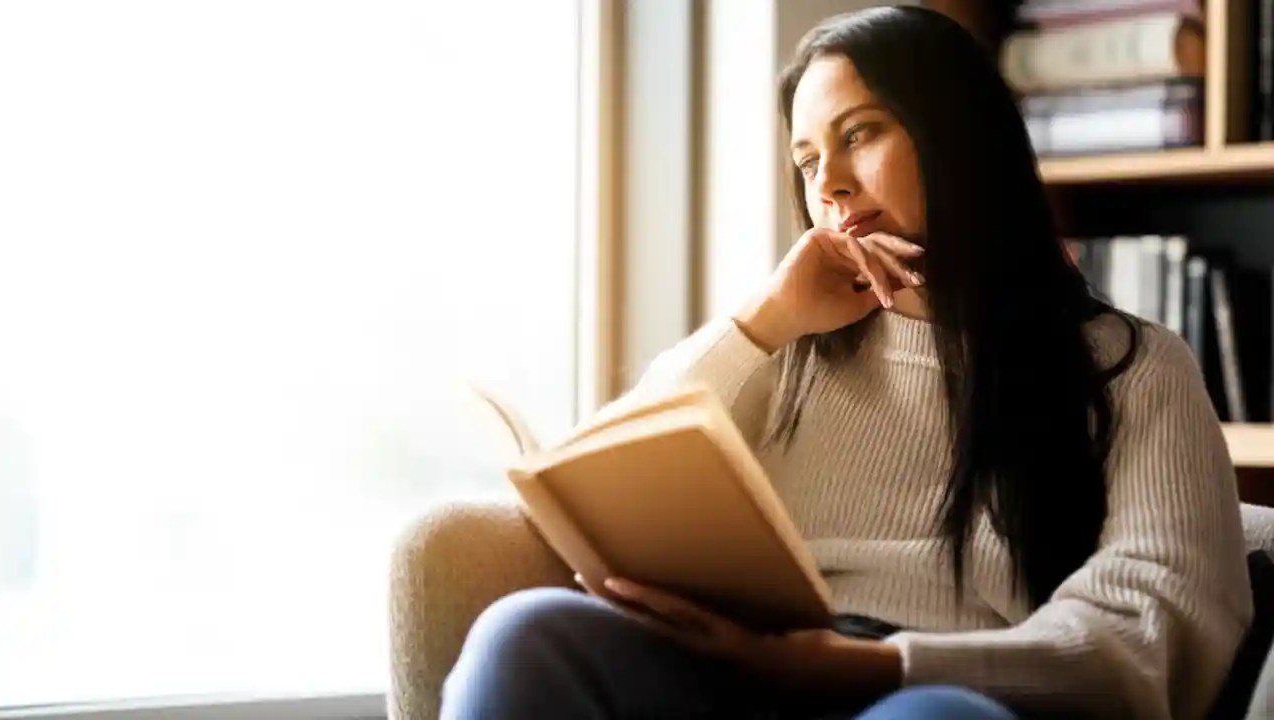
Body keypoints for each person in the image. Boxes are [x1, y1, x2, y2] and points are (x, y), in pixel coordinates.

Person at [440, 6, 1253, 719]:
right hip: (730, 673)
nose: (827, 183)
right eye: (806, 160)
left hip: (929, 689)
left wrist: (868, 665)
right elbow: (601, 486)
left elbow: (1149, 625)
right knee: (524, 634)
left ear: (959, 139)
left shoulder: (1134, 370)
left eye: (858, 134)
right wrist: (761, 321)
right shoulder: (785, 346)